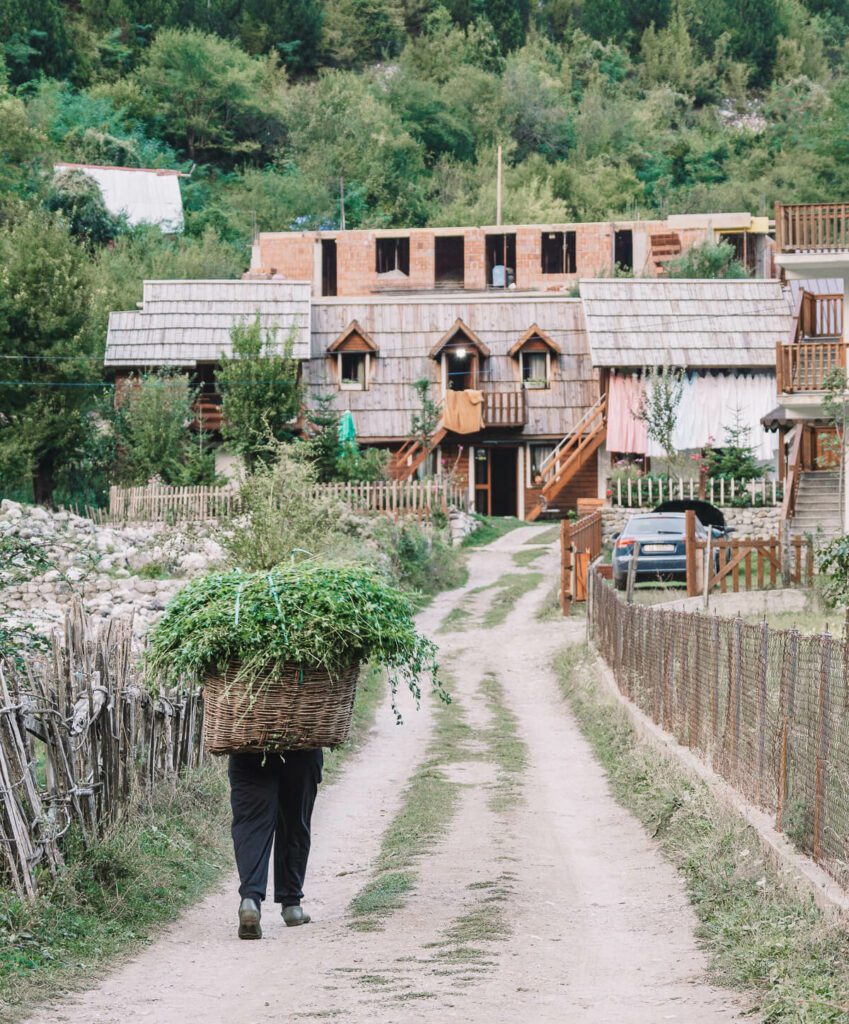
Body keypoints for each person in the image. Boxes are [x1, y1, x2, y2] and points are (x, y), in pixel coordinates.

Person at [228, 748, 323, 940]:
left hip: (249, 744)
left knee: (251, 825)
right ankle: (292, 905)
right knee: (295, 822)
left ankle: (250, 900)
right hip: (302, 746)